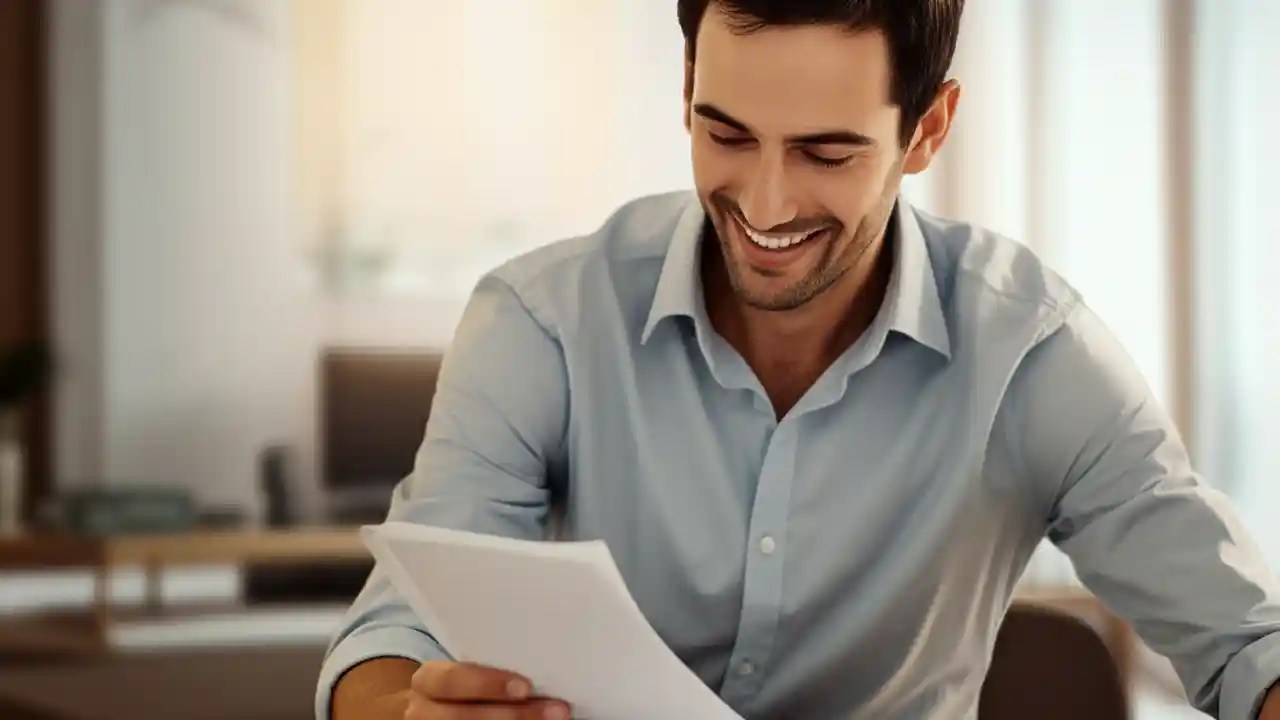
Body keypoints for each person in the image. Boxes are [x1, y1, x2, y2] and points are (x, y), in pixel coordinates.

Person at [317, 1, 1280, 718]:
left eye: (827, 153)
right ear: (688, 79)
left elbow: (1246, 643)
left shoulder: (1033, 352)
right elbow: (393, 633)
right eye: (726, 134)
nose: (766, 205)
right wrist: (408, 708)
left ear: (927, 130)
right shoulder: (541, 323)